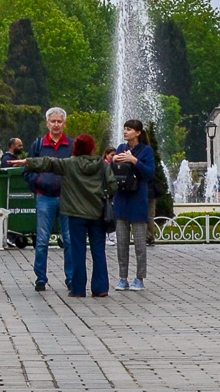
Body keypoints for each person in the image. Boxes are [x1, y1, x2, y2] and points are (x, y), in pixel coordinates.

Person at [19, 134, 113, 297]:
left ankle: (78, 289)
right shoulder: (101, 165)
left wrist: (28, 162)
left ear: (75, 148)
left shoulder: (69, 164)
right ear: (93, 148)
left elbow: (48, 163)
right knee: (99, 251)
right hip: (98, 213)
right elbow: (112, 186)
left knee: (77, 251)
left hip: (76, 214)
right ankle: (100, 288)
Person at [26, 108, 72, 291]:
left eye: (59, 121)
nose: (56, 125)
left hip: (67, 198)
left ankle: (71, 278)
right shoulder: (38, 145)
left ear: (64, 124)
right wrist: (38, 182)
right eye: (53, 121)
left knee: (68, 240)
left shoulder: (71, 145)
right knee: (42, 239)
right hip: (45, 197)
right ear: (47, 123)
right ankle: (40, 278)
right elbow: (27, 170)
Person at [108, 120, 154, 291]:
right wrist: (114, 160)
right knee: (122, 243)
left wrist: (134, 160)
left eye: (129, 129)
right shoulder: (121, 148)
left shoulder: (146, 150)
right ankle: (122, 277)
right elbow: (115, 170)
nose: (126, 132)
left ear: (138, 132)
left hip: (138, 201)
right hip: (121, 200)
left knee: (140, 244)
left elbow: (150, 173)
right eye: (124, 129)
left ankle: (140, 278)